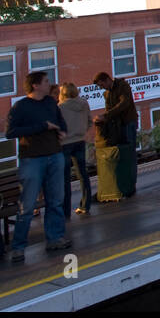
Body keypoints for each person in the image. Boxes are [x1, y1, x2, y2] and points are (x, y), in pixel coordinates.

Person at [5, 70, 71, 262]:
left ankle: (55, 238)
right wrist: (43, 126)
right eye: (46, 81)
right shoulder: (20, 107)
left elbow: (61, 122)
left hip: (54, 154)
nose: (49, 84)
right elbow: (10, 132)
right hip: (32, 158)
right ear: (35, 85)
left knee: (56, 200)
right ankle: (18, 247)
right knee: (27, 205)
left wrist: (63, 132)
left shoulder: (51, 103)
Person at [93, 73, 138, 201]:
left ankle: (131, 184)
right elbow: (110, 109)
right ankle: (124, 184)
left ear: (107, 80)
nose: (103, 88)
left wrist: (106, 116)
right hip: (117, 127)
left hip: (128, 122)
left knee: (130, 152)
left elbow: (124, 103)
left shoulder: (123, 86)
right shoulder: (107, 94)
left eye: (102, 85)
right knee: (122, 154)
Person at [59, 82, 93, 217]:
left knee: (65, 178)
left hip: (65, 143)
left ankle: (65, 211)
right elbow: (90, 121)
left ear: (63, 93)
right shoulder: (84, 104)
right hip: (80, 141)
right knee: (83, 174)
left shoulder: (60, 107)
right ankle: (85, 205)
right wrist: (82, 130)